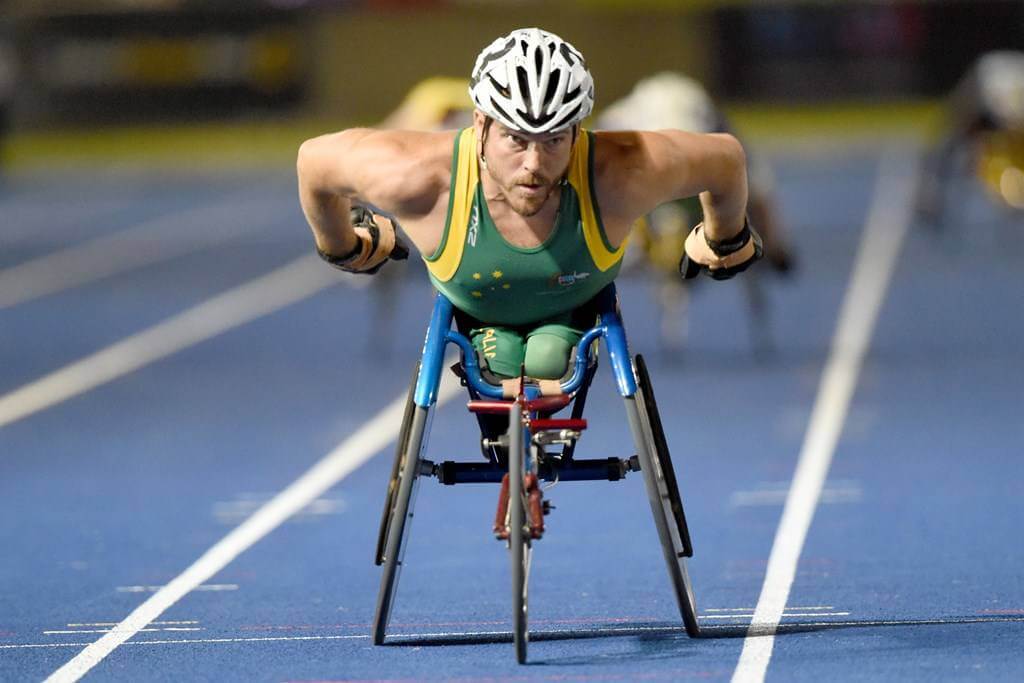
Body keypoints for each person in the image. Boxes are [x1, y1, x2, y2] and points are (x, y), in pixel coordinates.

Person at [297, 28, 760, 394]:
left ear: (578, 132)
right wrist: (342, 245)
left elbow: (725, 159)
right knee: (507, 368)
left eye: (554, 141)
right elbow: (313, 162)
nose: (534, 165)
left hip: (574, 309)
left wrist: (725, 236)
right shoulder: (416, 174)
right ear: (480, 124)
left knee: (545, 359)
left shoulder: (622, 168)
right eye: (516, 140)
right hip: (478, 312)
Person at [598, 71, 793, 352]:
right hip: (683, 154)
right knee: (738, 213)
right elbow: (758, 184)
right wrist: (776, 248)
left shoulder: (626, 120)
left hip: (660, 156)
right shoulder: (710, 127)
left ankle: (658, 260)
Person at [916, 50, 1024, 226]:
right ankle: (931, 189)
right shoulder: (989, 103)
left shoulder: (1012, 110)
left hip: (1003, 86)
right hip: (986, 81)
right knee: (950, 138)